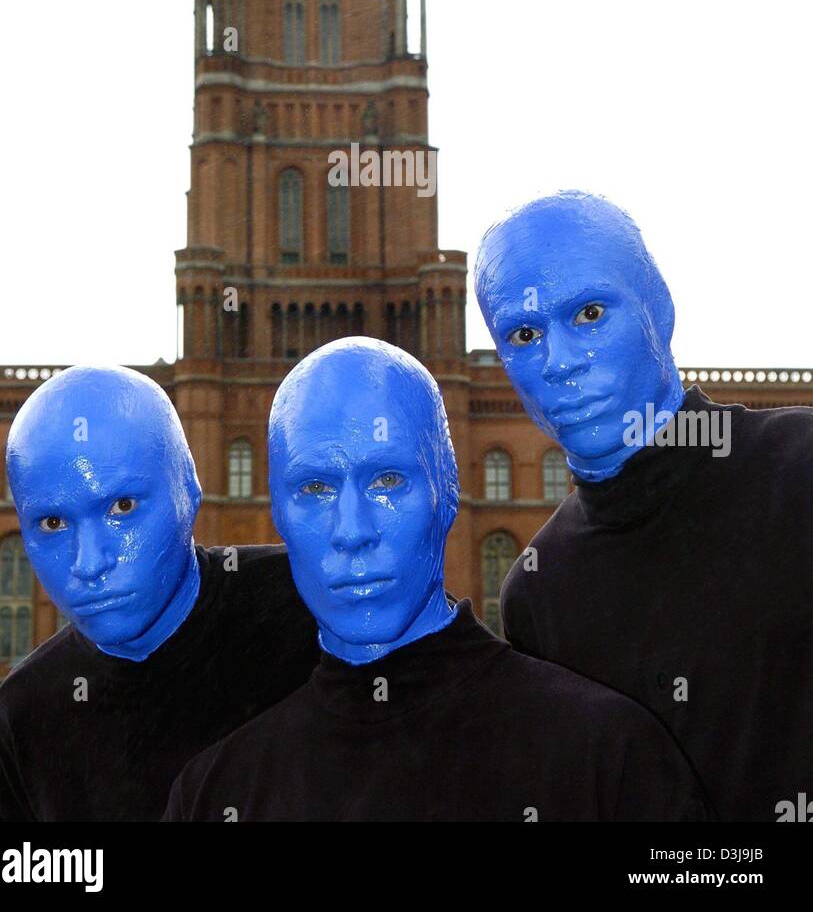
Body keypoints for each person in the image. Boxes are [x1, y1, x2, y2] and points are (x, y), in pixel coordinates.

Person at [164, 337, 707, 822]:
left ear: (449, 488)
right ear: (276, 511)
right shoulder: (214, 793)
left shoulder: (610, 759)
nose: (353, 531)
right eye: (314, 489)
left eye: (387, 479)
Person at [475, 189, 813, 822]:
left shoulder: (798, 470)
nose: (558, 362)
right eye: (523, 334)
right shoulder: (538, 590)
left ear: (660, 308)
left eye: (590, 313)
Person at [0, 365, 319, 821]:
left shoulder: (310, 606)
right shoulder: (26, 709)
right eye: (53, 523)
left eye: (122, 507)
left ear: (189, 487)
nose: (89, 563)